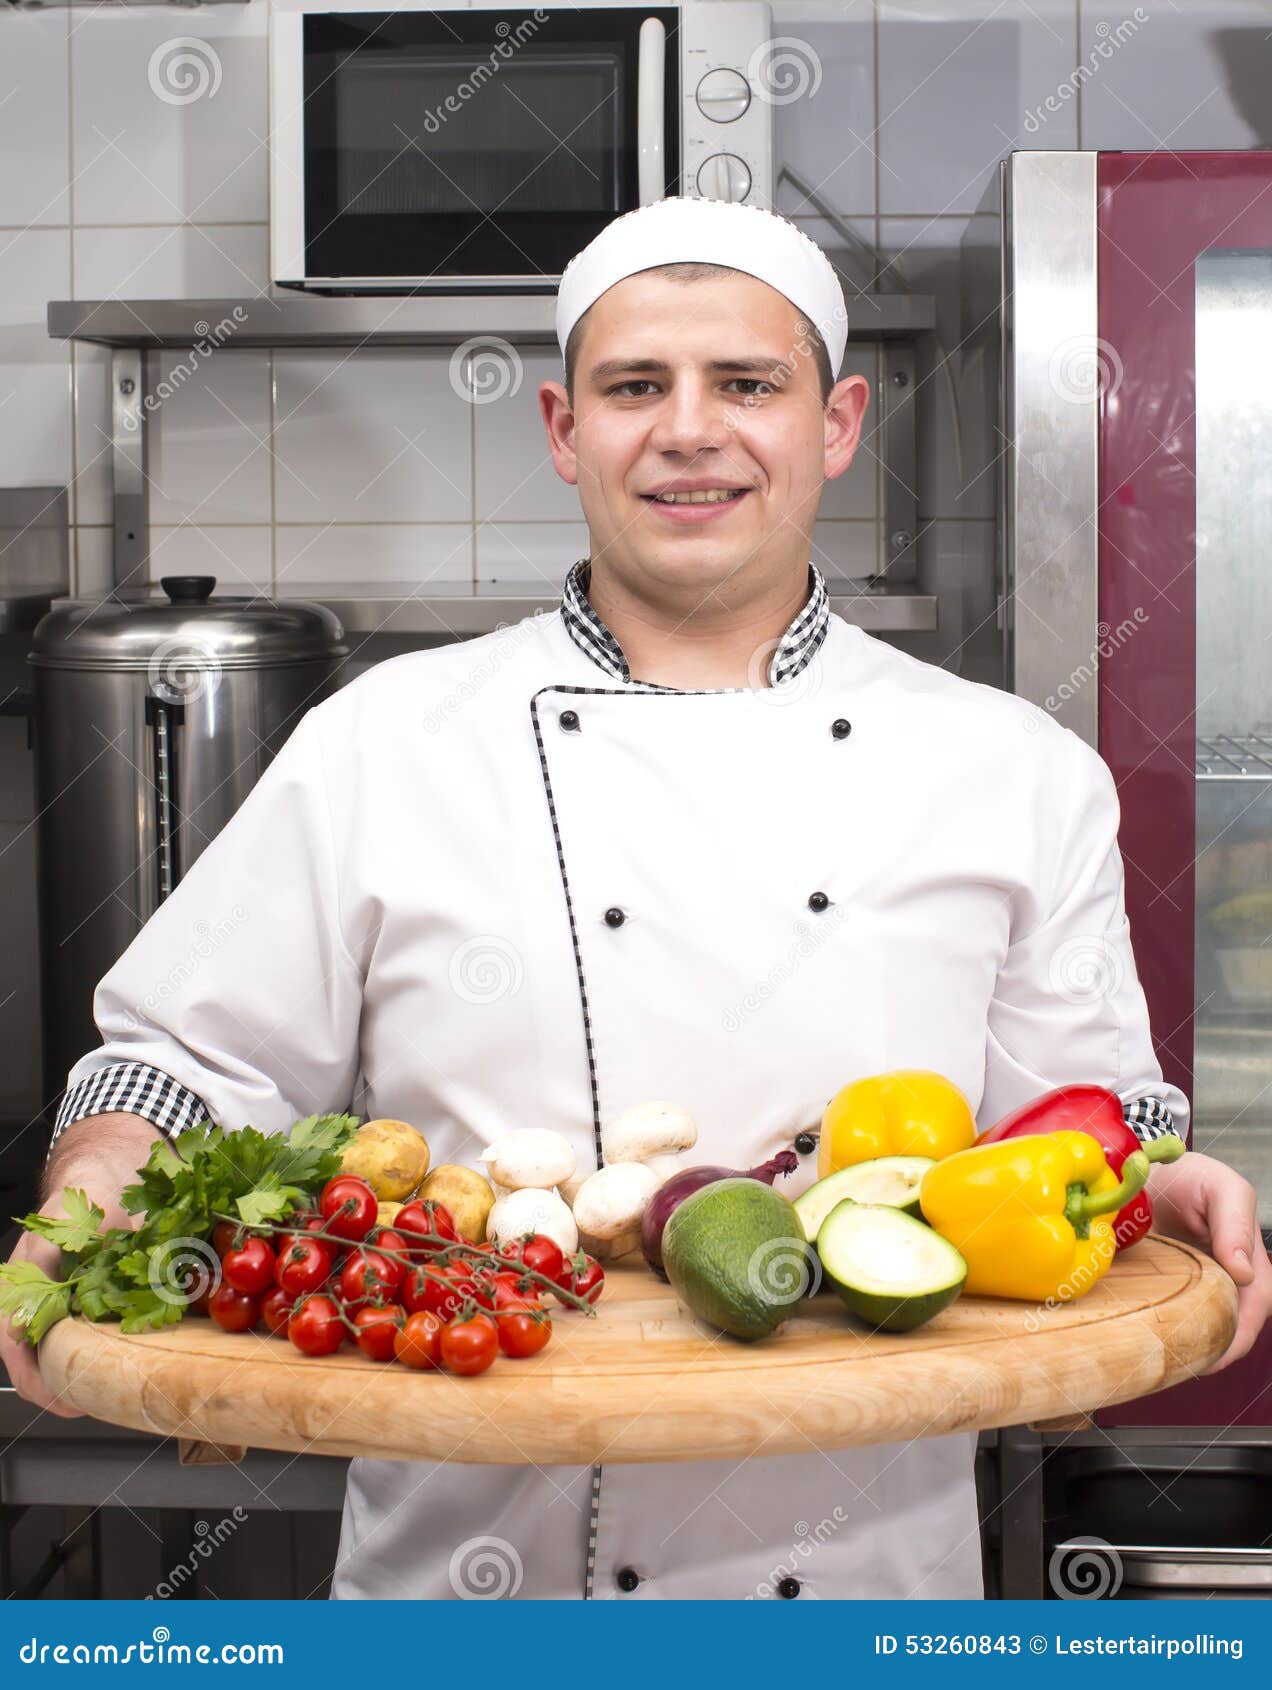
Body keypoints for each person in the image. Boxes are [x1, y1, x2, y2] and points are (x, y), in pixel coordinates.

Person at [4, 197, 1269, 1602]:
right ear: (561, 427)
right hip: (476, 1588)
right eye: (633, 386)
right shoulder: (392, 738)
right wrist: (96, 1186)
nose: (688, 429)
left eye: (747, 384)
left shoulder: (1013, 768)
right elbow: (184, 1062)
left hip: (864, 1588)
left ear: (838, 424)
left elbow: (1081, 1116)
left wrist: (1160, 1172)